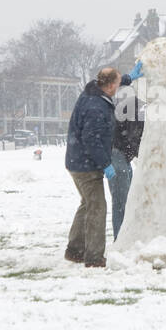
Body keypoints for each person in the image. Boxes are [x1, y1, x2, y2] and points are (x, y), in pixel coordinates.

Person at [64, 66, 120, 268]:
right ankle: (94, 257)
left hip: (75, 161)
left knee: (87, 204)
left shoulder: (91, 91)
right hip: (86, 166)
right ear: (111, 85)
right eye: (119, 83)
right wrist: (105, 164)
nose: (119, 87)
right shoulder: (96, 107)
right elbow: (91, 139)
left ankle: (75, 250)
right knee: (97, 207)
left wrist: (131, 77)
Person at [110, 67, 144, 239]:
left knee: (123, 202)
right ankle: (121, 239)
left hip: (120, 159)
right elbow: (133, 141)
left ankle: (123, 237)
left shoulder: (120, 110)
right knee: (122, 203)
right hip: (118, 159)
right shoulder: (130, 115)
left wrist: (128, 77)